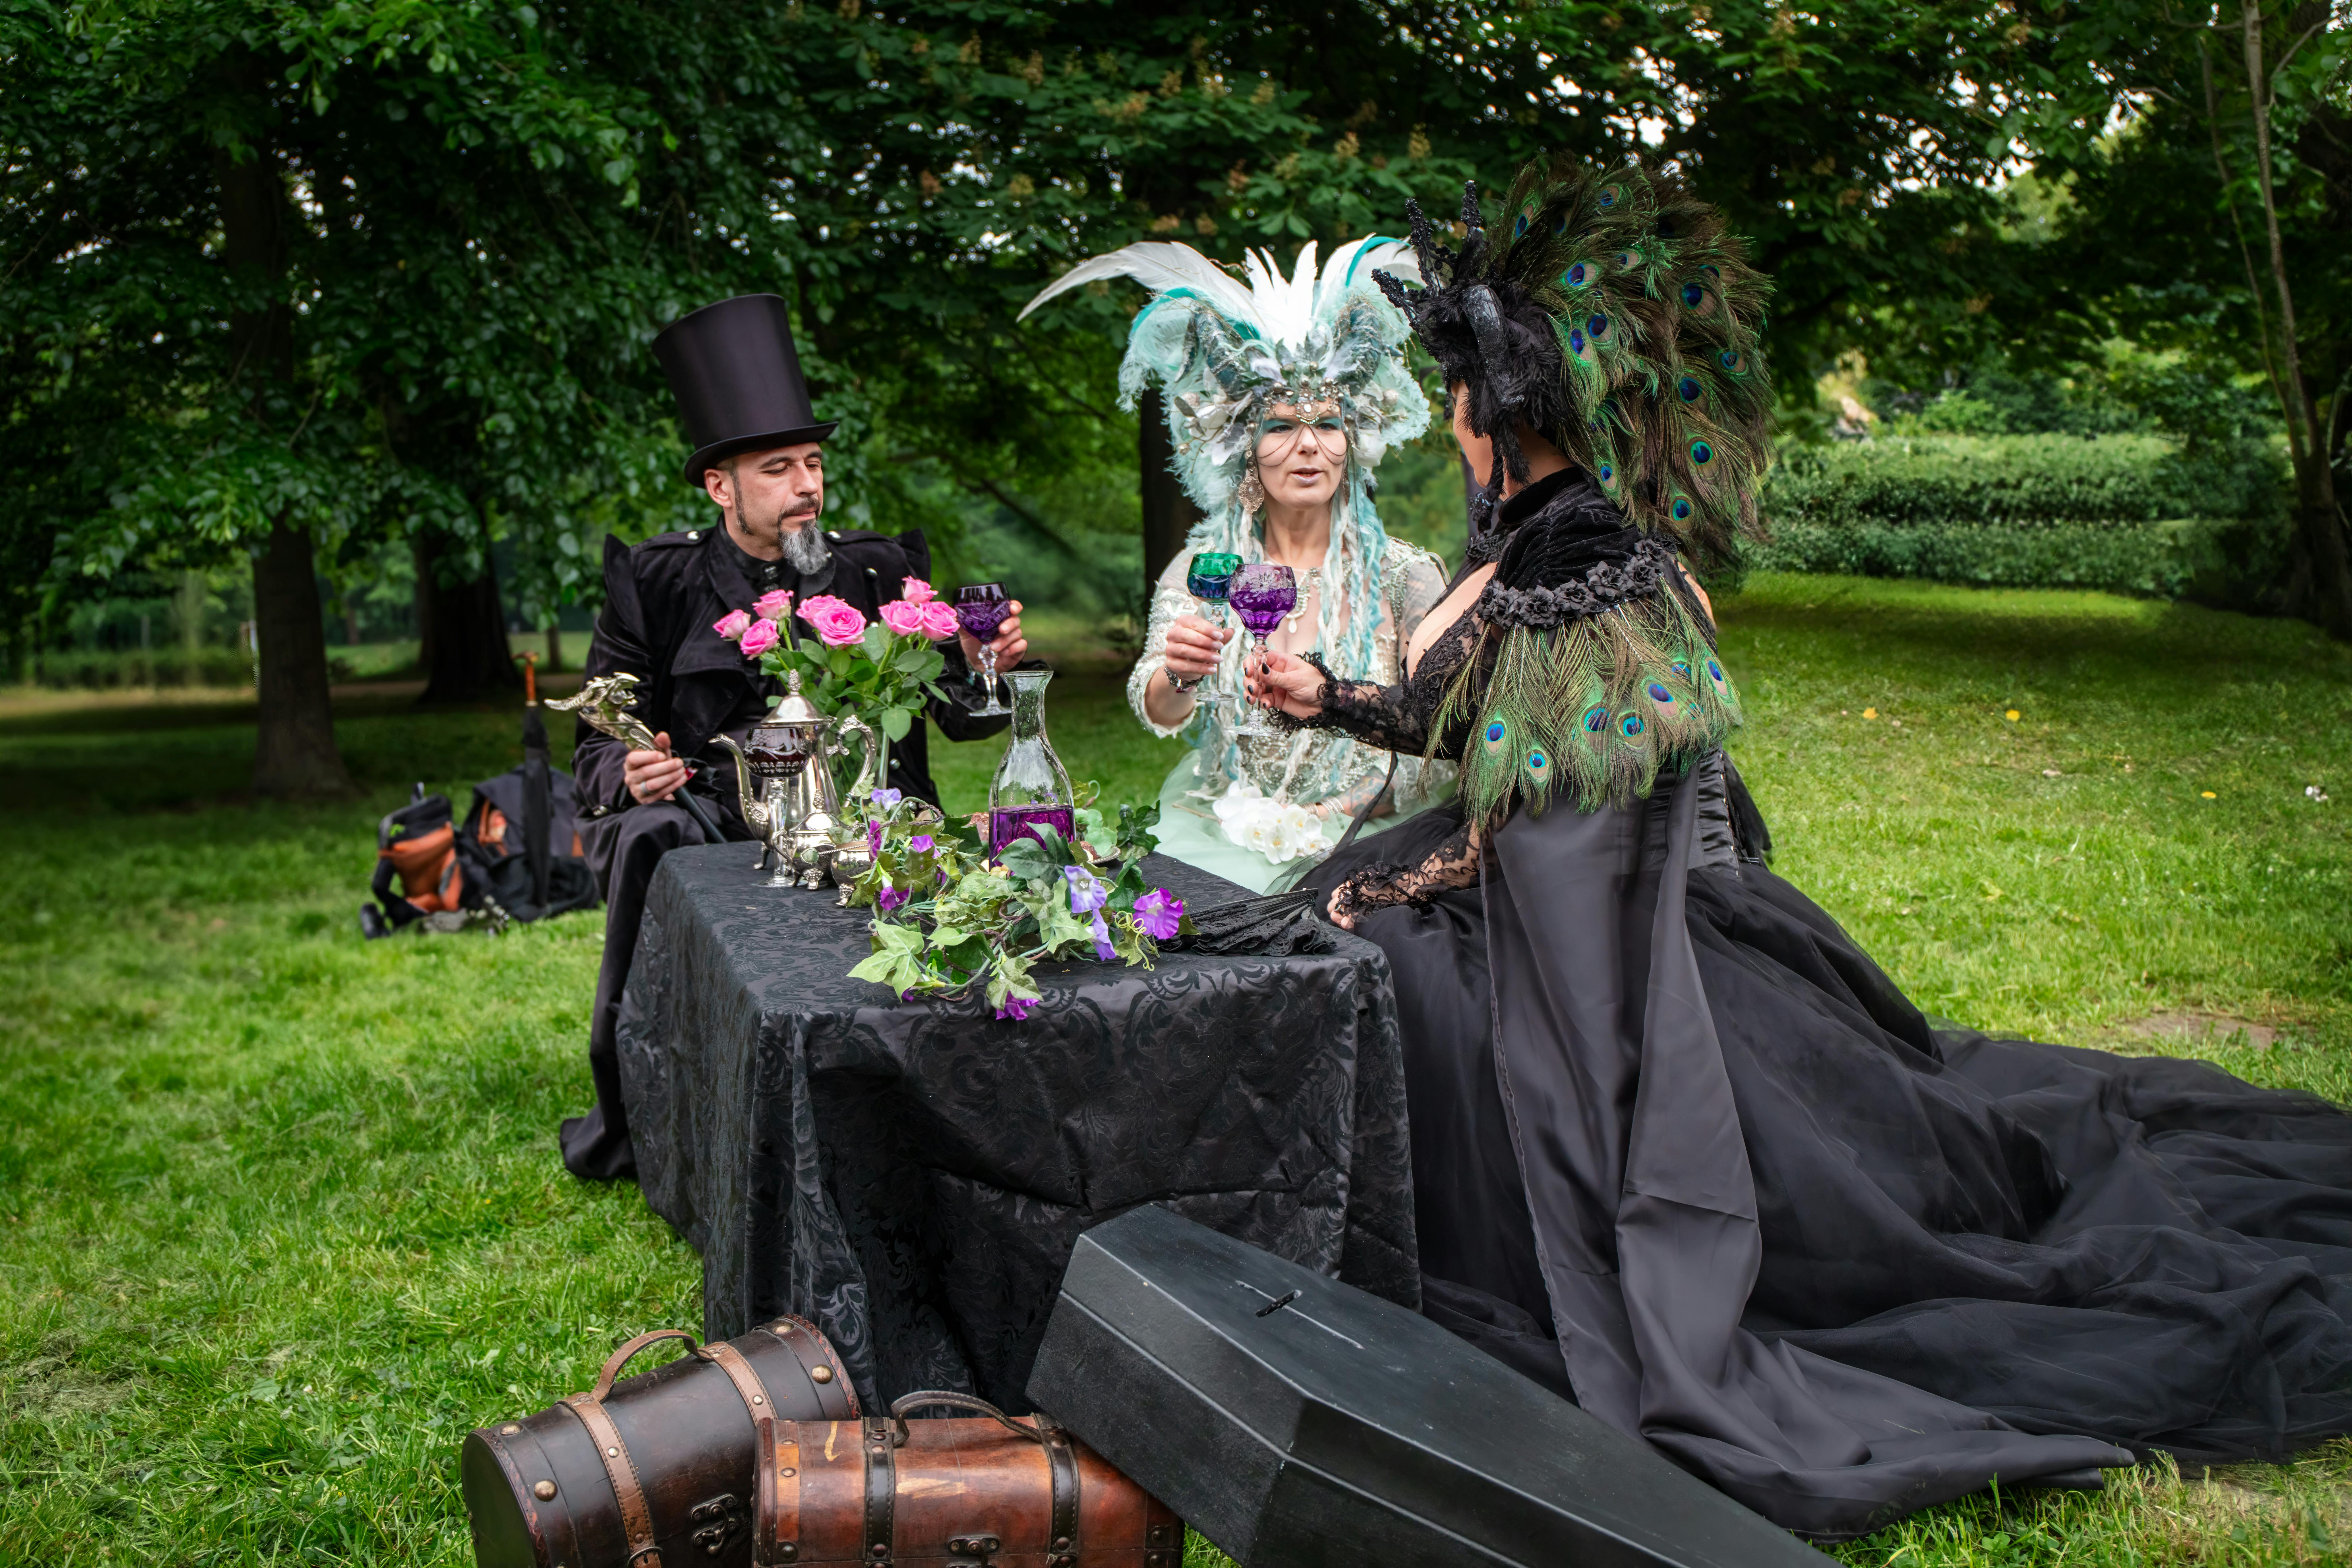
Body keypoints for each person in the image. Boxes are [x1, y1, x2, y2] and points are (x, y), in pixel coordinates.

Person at [1248, 159, 2352, 1540]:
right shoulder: (1535, 546)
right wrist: (1335, 698)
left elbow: (1570, 809)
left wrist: (1412, 883)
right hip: (1513, 878)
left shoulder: (1592, 560)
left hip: (1589, 930)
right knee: (1363, 948)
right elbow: (1478, 716)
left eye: (1459, 400)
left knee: (1408, 979)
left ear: (1495, 414)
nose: (1450, 424)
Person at [559, 293, 1026, 1182]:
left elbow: (967, 718)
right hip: (711, 816)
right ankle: (652, 1109)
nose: (807, 484)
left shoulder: (878, 566)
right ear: (720, 486)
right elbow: (592, 744)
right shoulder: (658, 580)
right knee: (643, 832)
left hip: (865, 815)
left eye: (813, 463)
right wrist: (632, 767)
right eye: (777, 469)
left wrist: (981, 662)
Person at [1022, 240, 1452, 894]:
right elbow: (1158, 706)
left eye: (1328, 424)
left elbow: (1446, 730)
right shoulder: (1207, 570)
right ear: (1243, 447)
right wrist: (1178, 669)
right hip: (1224, 831)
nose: (1308, 447)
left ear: (1354, 441)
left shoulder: (1406, 576)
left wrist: (1352, 804)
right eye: (1280, 427)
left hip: (1370, 838)